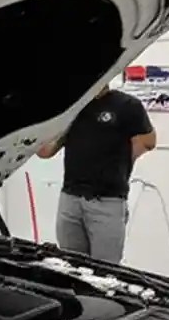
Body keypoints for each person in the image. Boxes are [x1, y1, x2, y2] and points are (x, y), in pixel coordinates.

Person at [37, 84, 157, 263]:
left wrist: (122, 163)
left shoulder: (127, 105)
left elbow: (149, 141)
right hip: (70, 200)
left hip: (107, 203)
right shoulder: (73, 106)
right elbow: (45, 151)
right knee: (71, 266)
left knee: (105, 271)